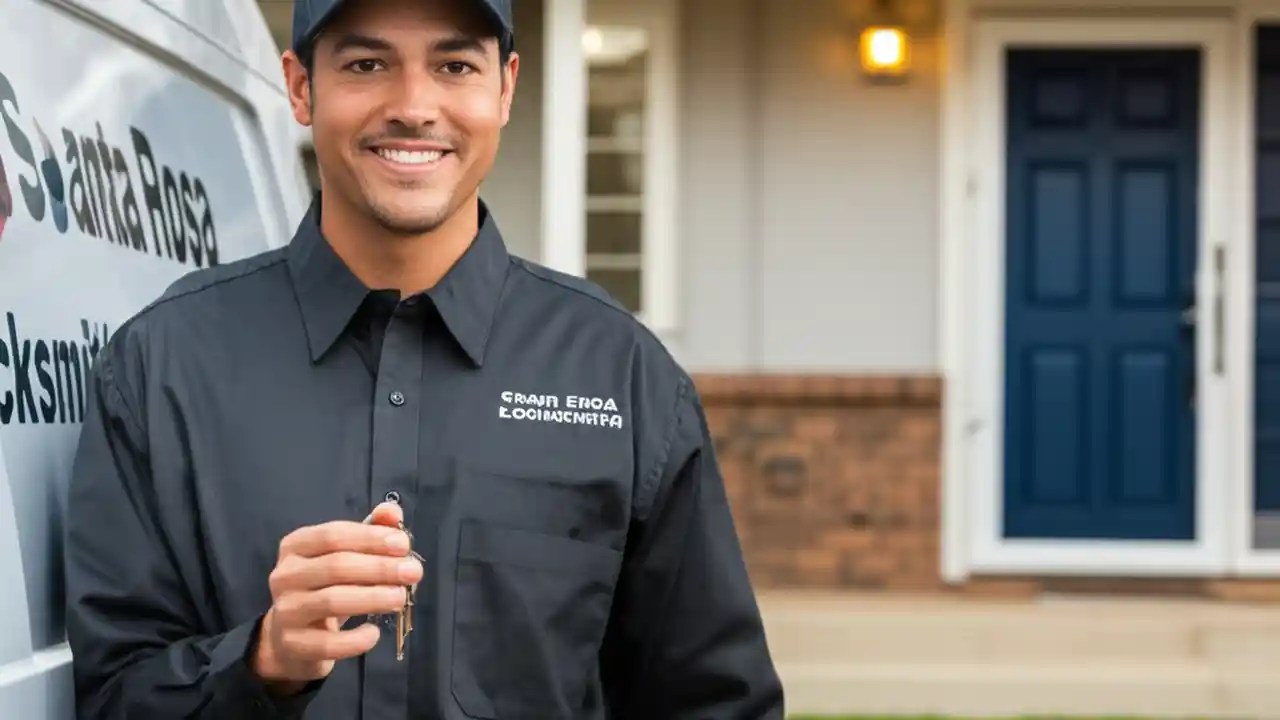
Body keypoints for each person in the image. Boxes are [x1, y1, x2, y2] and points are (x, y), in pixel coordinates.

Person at [62, 0, 785, 717]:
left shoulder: (622, 376)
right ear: (301, 86)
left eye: (454, 65)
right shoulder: (163, 367)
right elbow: (111, 695)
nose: (413, 105)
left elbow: (716, 705)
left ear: (504, 87)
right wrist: (263, 660)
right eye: (367, 64)